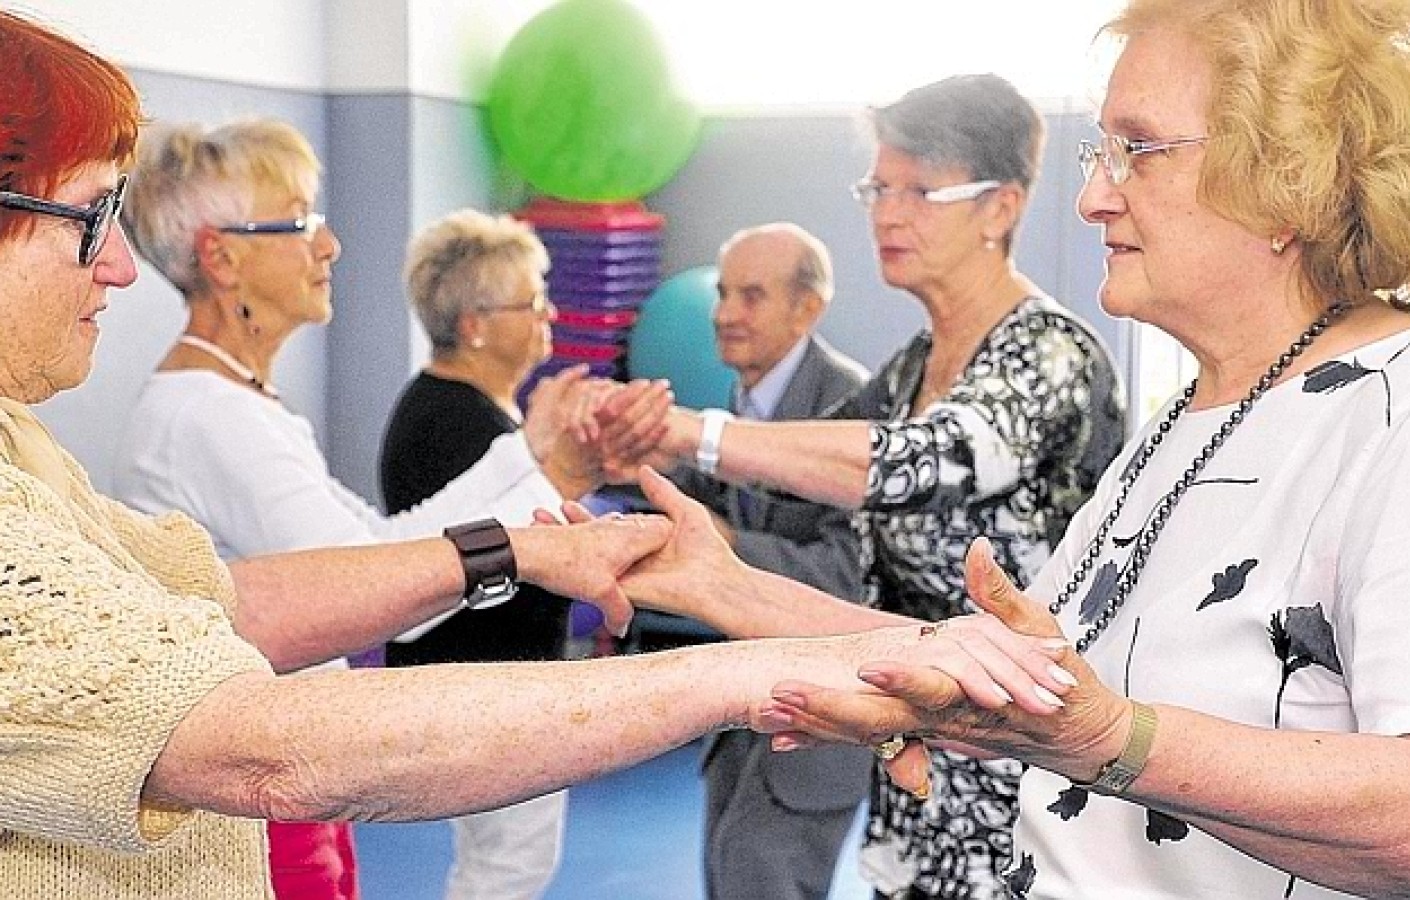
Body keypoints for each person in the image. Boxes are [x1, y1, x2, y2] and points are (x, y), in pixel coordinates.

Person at [0, 16, 1072, 899]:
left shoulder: (31, 441)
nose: (120, 272)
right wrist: (739, 654)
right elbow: (256, 741)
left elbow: (225, 601)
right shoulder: (188, 418)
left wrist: (514, 543)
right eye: (92, 219)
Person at [723, 1, 1410, 898]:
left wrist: (1110, 740)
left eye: (1139, 149)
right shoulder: (1192, 415)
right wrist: (719, 585)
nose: (1095, 194)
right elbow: (1036, 684)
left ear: (1287, 177)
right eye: (1102, 151)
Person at [604, 74, 1126, 899]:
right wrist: (631, 448)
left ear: (1001, 207)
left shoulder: (1050, 354)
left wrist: (693, 431)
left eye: (920, 190)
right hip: (919, 769)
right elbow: (787, 462)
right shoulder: (913, 367)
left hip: (1031, 786)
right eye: (880, 187)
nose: (886, 212)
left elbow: (904, 461)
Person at [111, 121, 616, 899]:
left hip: (285, 769)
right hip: (250, 791)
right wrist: (541, 478)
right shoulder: (206, 416)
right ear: (223, 256)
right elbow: (384, 598)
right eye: (301, 220)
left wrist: (531, 459)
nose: (329, 245)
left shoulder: (241, 404)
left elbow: (378, 549)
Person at [378, 209, 585, 899]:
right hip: (484, 684)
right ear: (475, 324)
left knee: (504, 863)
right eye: (531, 303)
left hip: (489, 681)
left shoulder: (468, 412)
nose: (547, 314)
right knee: (507, 867)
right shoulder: (454, 422)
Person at [681, 223, 872, 900]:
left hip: (820, 720)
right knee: (728, 873)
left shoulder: (854, 411)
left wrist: (728, 546)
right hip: (739, 713)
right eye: (723, 293)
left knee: (755, 872)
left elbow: (853, 578)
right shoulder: (737, 404)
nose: (726, 314)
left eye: (751, 295)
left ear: (807, 307)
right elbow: (702, 513)